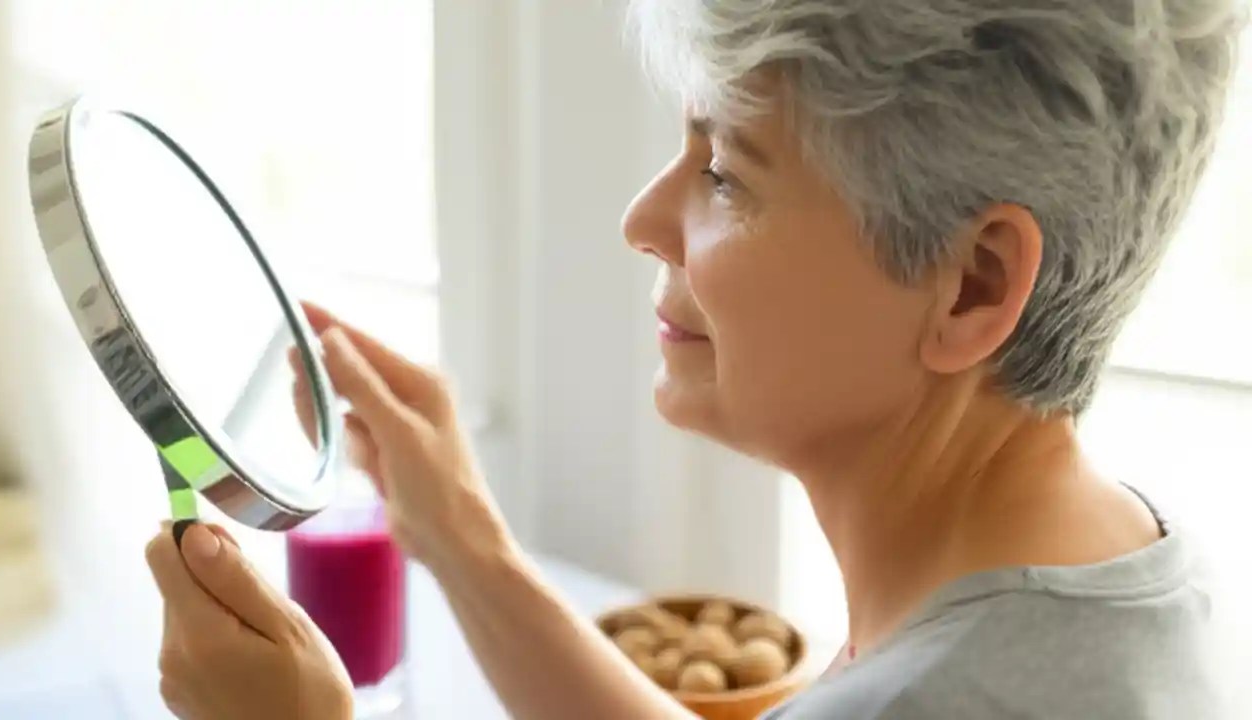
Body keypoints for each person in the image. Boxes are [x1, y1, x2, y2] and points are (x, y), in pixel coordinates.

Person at [143, 1, 1245, 717]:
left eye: (724, 172)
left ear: (970, 284)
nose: (641, 219)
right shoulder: (1111, 579)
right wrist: (466, 542)